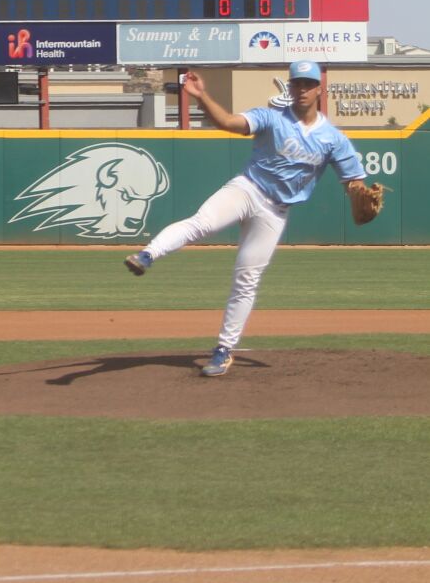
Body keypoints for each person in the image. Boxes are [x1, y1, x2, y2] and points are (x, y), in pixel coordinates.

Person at [123, 62, 367, 377]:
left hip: (276, 211)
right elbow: (226, 121)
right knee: (202, 222)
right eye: (298, 84)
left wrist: (360, 193)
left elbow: (354, 181)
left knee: (246, 280)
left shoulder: (333, 139)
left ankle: (224, 350)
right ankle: (147, 255)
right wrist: (201, 96)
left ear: (320, 89)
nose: (303, 90)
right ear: (290, 87)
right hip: (248, 189)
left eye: (309, 84)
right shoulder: (270, 118)